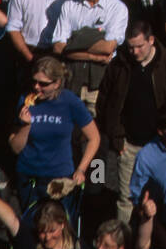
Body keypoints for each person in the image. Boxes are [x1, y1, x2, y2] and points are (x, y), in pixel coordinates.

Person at [96, 18, 166, 224]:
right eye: (130, 47)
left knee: (165, 196)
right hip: (130, 144)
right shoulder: (119, 65)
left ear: (151, 40)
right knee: (126, 199)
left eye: (139, 46)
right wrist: (116, 137)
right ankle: (124, 244)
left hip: (163, 146)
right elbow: (104, 102)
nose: (135, 52)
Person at [9, 55, 100, 221]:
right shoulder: (25, 101)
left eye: (43, 84)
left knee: (59, 228)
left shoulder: (70, 101)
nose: (36, 87)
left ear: (57, 83)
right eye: (34, 81)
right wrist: (25, 126)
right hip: (29, 176)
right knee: (32, 226)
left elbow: (94, 138)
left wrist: (81, 169)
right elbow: (15, 147)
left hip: (59, 178)